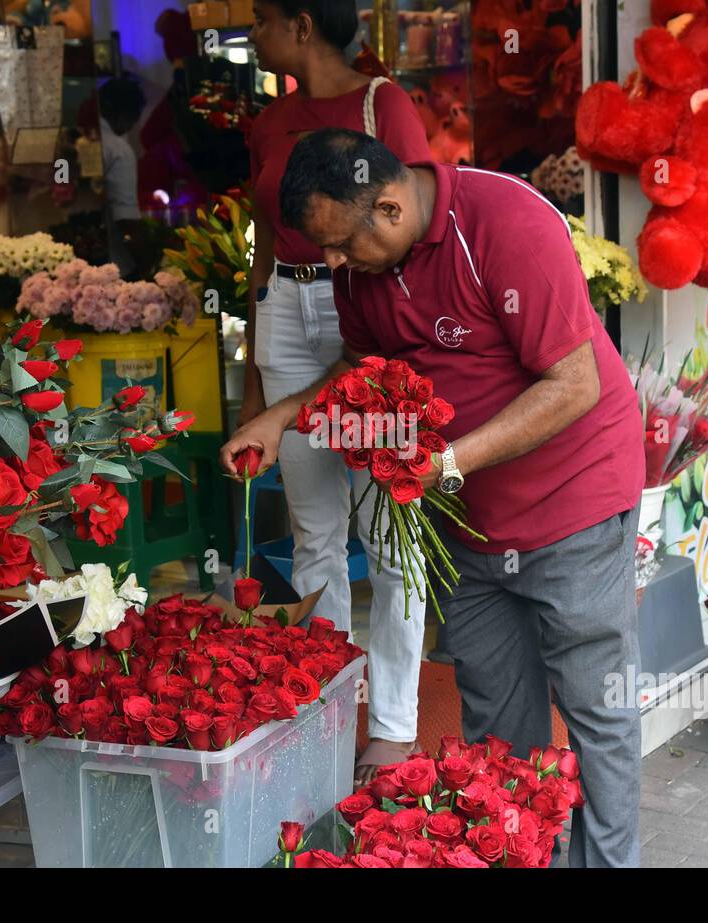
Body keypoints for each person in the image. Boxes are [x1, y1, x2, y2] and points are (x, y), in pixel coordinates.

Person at [220, 128, 646, 867]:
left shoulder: (506, 224)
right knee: (496, 724)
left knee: (596, 712)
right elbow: (362, 362)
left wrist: (447, 463)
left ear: (388, 206)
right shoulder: (360, 270)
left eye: (340, 245)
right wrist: (280, 414)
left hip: (573, 504)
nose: (330, 265)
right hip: (471, 528)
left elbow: (574, 384)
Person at [244, 0, 433, 784]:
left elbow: (413, 209)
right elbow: (262, 234)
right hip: (287, 306)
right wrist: (257, 349)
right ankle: (324, 700)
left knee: (389, 522)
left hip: (363, 295)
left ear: (299, 25)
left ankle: (391, 720)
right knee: (313, 521)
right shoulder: (269, 118)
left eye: (261, 17)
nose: (251, 32)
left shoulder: (381, 102)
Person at [98, 75, 148, 277]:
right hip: (112, 263)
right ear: (124, 116)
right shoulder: (119, 150)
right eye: (132, 122)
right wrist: (147, 266)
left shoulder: (83, 138)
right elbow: (127, 219)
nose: (130, 128)